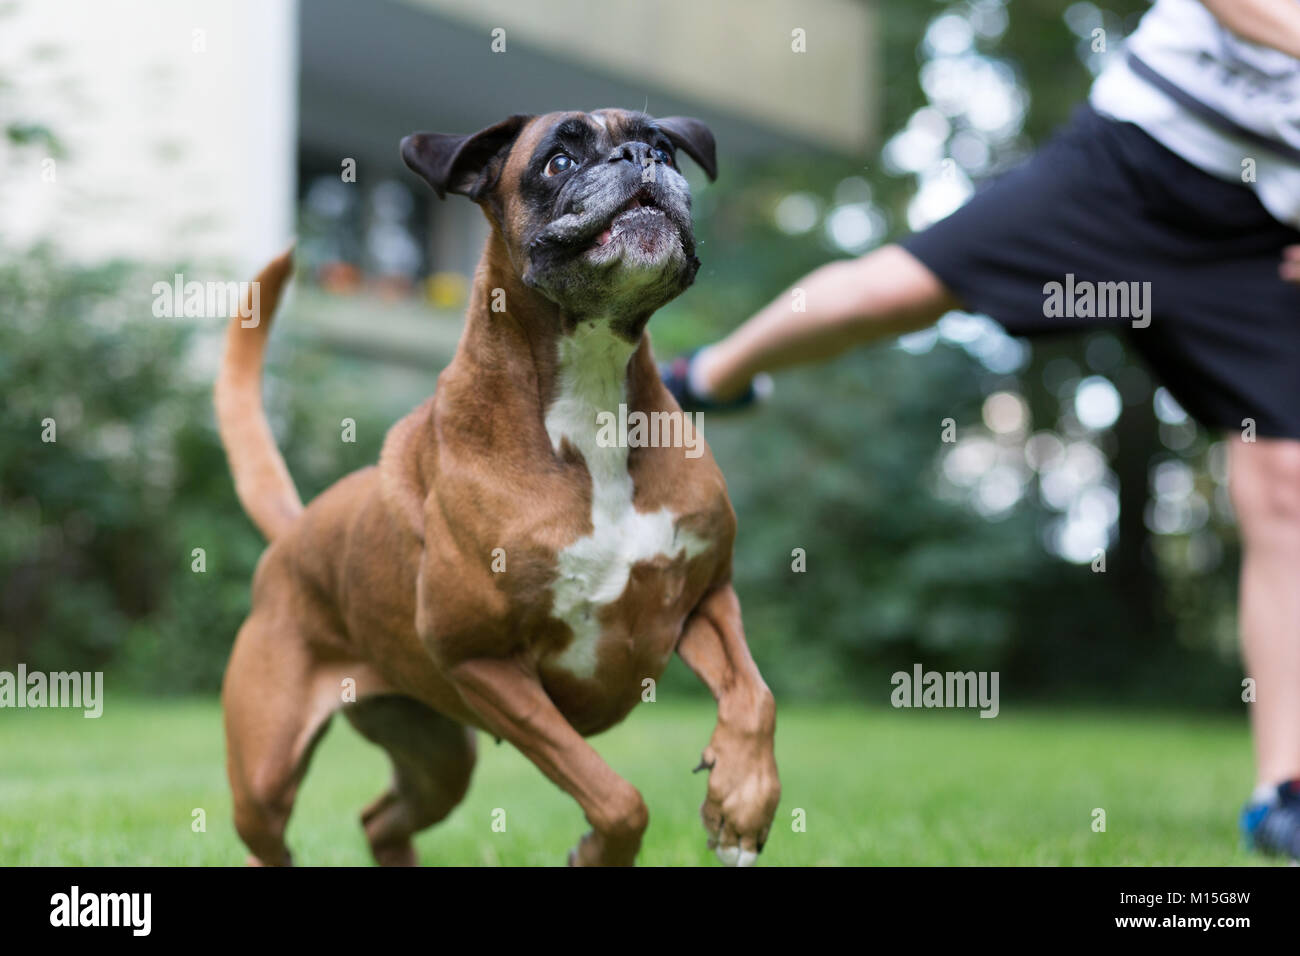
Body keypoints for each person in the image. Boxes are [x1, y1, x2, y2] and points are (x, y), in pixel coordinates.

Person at [661, 0, 1300, 860]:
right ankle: (712, 374)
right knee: (905, 289)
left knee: (1286, 484)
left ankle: (1282, 795)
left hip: (1261, 233)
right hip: (1136, 159)